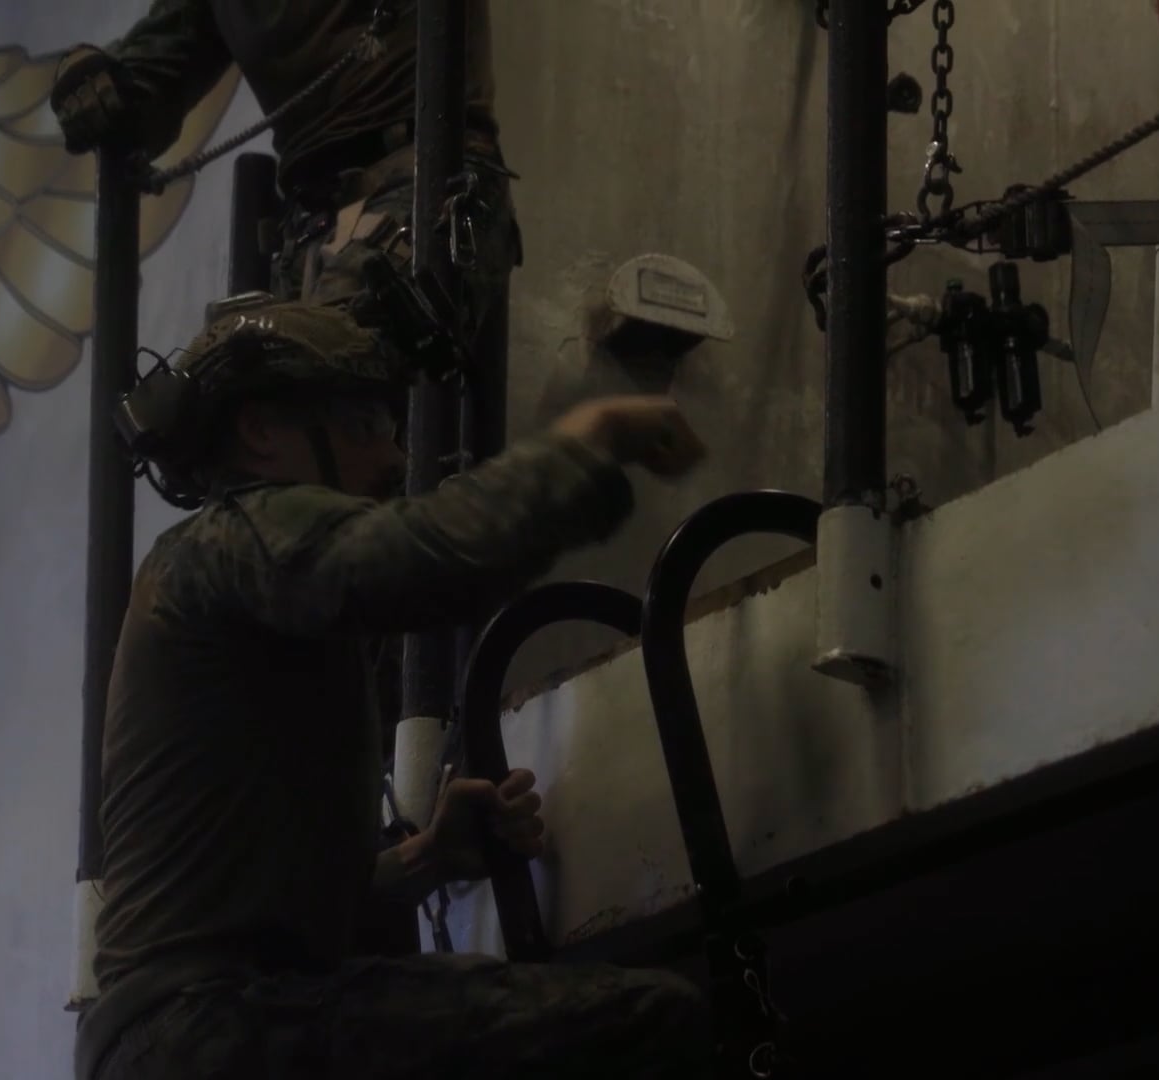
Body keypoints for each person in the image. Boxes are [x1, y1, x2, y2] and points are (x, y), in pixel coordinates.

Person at [77, 297, 716, 1080]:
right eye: (362, 425)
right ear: (260, 434)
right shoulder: (233, 537)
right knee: (648, 1023)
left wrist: (425, 862)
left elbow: (248, 909)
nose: (391, 456)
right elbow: (427, 563)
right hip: (210, 1030)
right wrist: (589, 443)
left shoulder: (236, 590)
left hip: (193, 1037)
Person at [50, 0, 517, 342]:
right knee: (233, 408)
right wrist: (85, 75)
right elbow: (140, 93)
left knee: (312, 371)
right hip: (313, 222)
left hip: (429, 183)